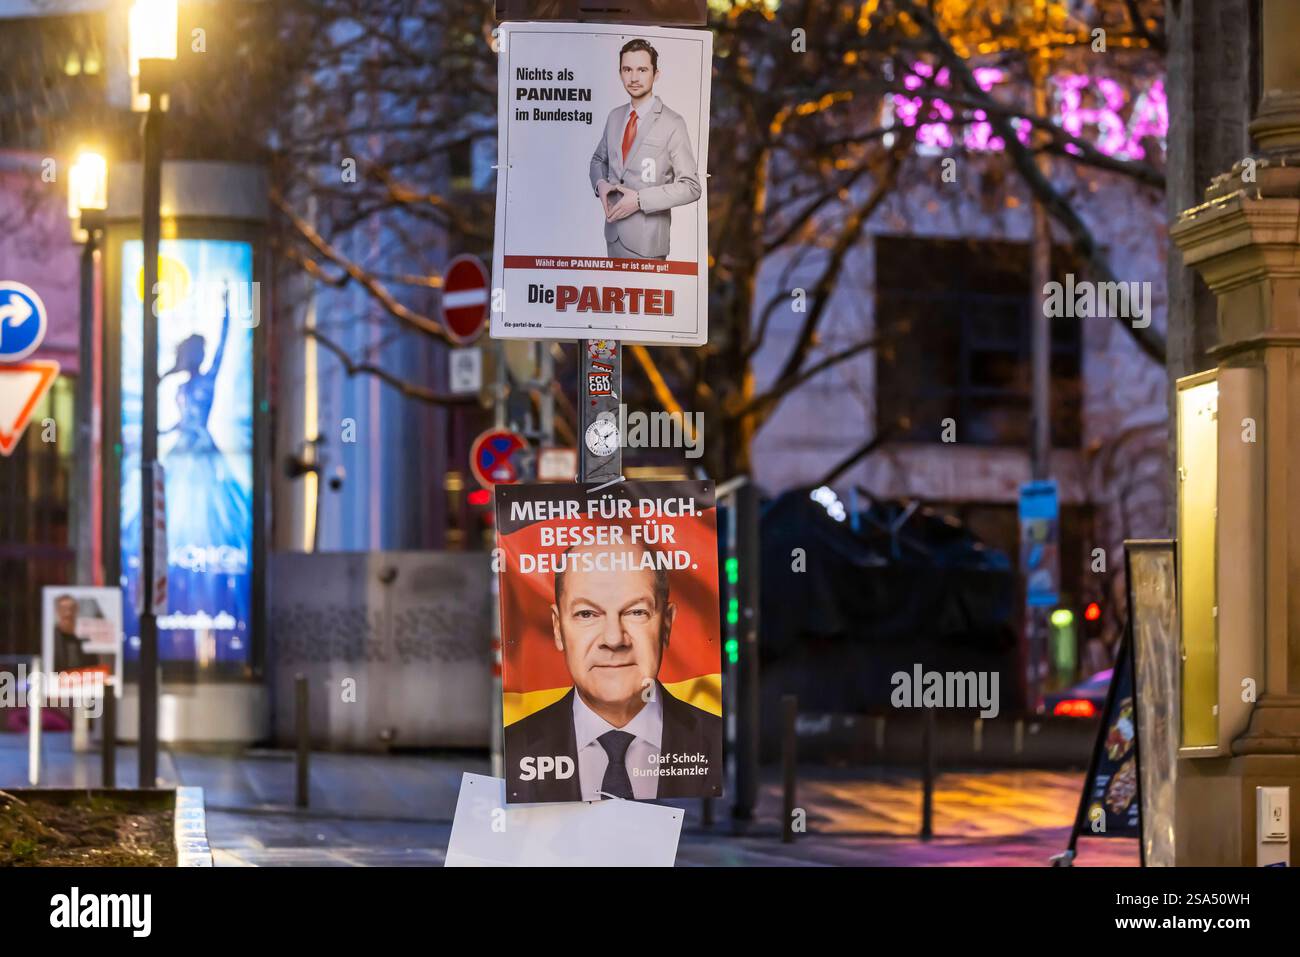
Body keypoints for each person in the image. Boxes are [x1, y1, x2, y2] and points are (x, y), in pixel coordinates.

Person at [505, 540, 722, 803]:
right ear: (557, 628)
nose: (614, 638)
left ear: (666, 624)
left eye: (636, 612)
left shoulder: (713, 741)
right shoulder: (517, 747)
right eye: (587, 614)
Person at [589, 38, 701, 260]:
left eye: (642, 69)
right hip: (613, 238)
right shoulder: (615, 116)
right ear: (620, 73)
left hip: (648, 245)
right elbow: (597, 160)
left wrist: (640, 200)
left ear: (655, 74)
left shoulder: (673, 122)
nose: (633, 77)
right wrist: (600, 183)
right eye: (627, 69)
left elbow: (691, 187)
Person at [52, 594, 85, 673]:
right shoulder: (50, 639)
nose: (68, 613)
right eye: (63, 609)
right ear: (57, 611)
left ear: (77, 610)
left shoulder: (83, 637)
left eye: (71, 609)